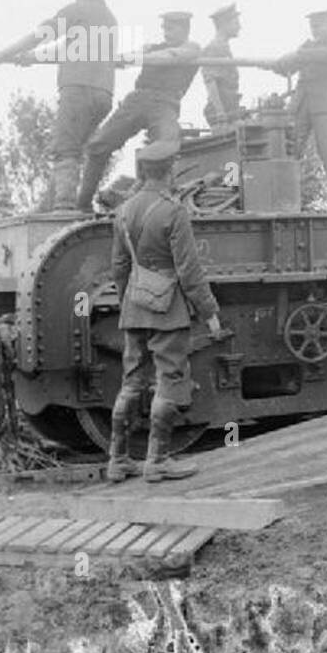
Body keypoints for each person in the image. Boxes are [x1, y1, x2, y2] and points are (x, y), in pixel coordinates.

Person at [107, 141, 222, 483]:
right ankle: (157, 461)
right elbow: (189, 270)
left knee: (132, 381)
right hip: (168, 308)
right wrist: (209, 312)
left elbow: (118, 266)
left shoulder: (123, 211)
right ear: (170, 170)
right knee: (169, 380)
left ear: (143, 171)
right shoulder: (173, 211)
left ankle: (118, 460)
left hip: (134, 305)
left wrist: (129, 299)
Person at [0, 0, 119, 212]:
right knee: (72, 151)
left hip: (78, 90)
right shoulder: (108, 19)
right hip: (103, 96)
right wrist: (31, 58)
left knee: (65, 149)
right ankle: (50, 205)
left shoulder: (77, 10)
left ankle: (63, 206)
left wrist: (2, 54)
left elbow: (40, 34)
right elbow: (70, 50)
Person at [76, 11, 201, 211]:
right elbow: (139, 56)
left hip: (165, 103)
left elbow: (169, 57)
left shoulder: (191, 48)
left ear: (185, 29)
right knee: (98, 146)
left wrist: (134, 58)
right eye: (165, 28)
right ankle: (82, 203)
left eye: (172, 28)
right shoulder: (151, 48)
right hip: (137, 100)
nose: (166, 33)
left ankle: (139, 196)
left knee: (167, 144)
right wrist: (115, 59)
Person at [273, 9, 327, 209]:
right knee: (290, 152)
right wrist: (281, 64)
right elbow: (289, 67)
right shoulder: (308, 47)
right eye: (313, 27)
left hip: (326, 106)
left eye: (319, 26)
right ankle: (283, 202)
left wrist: (298, 55)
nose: (315, 31)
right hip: (302, 105)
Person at [201, 3, 244, 132]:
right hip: (223, 113)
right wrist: (220, 113)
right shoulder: (215, 47)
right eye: (236, 22)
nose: (239, 27)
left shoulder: (224, 47)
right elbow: (210, 81)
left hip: (230, 109)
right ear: (225, 24)